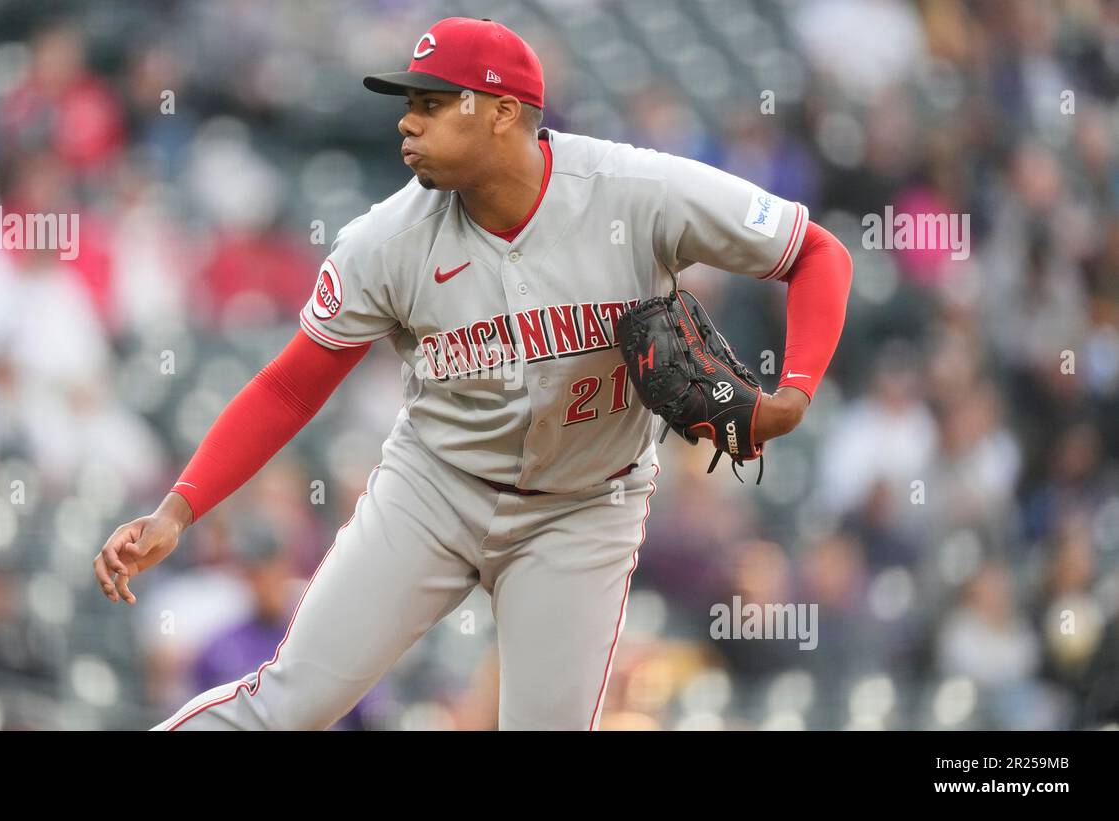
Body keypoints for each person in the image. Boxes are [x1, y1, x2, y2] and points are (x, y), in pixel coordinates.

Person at [94, 17, 853, 730]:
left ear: (500, 111)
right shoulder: (385, 242)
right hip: (435, 489)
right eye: (408, 105)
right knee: (290, 704)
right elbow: (291, 387)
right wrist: (178, 509)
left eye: (430, 103)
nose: (406, 122)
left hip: (584, 506)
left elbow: (818, 252)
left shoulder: (635, 191)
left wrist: (794, 392)